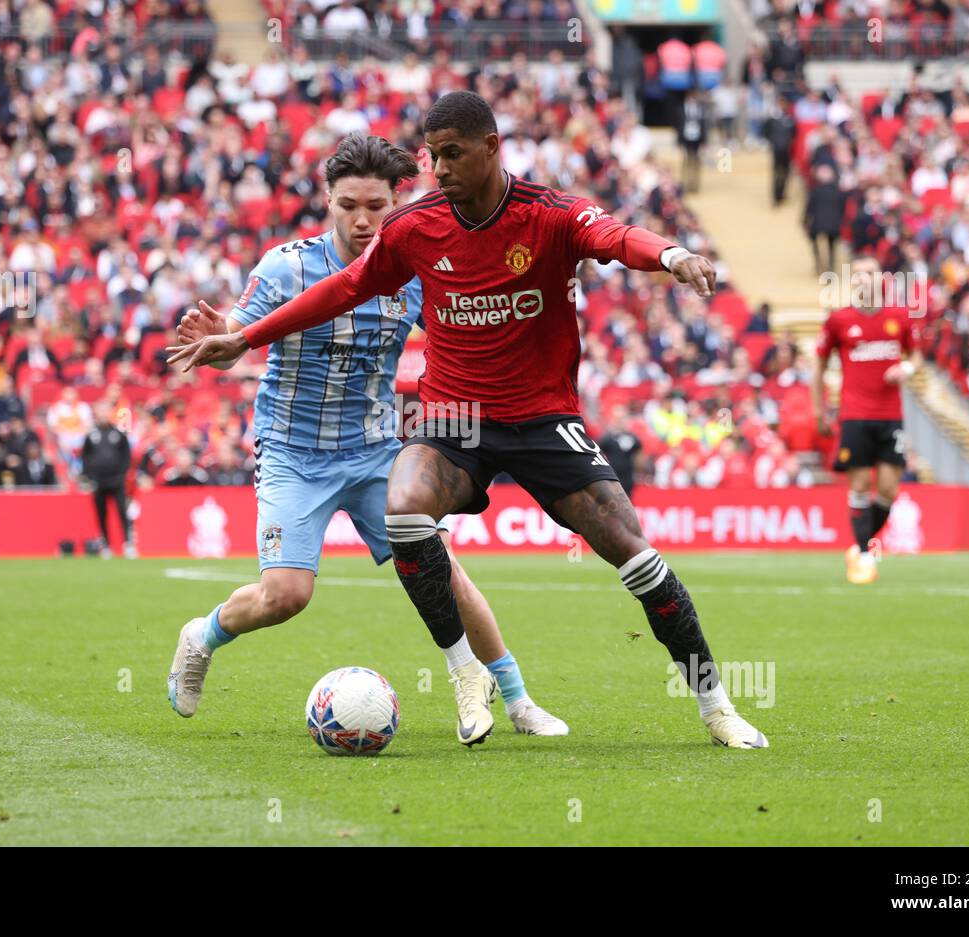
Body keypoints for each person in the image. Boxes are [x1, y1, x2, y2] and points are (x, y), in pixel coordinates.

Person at [176, 96, 767, 749]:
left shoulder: (545, 213)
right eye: (431, 156)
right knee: (376, 533)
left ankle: (710, 705)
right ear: (327, 202)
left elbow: (614, 236)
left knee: (635, 555)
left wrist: (671, 254)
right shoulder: (383, 239)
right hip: (419, 423)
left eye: (451, 154)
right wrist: (241, 336)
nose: (438, 169)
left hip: (535, 418)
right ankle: (465, 678)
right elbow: (338, 291)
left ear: (490, 147)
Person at [167, 131, 568, 743]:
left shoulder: (415, 266)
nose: (361, 219)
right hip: (293, 454)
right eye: (348, 205)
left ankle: (517, 701)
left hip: (376, 450)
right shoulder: (287, 266)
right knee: (286, 596)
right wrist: (220, 335)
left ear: (396, 204)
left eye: (376, 207)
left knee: (442, 569)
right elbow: (236, 339)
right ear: (327, 201)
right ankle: (203, 636)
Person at [812, 255, 922, 585]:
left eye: (869, 273)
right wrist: (819, 409)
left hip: (891, 416)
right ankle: (863, 554)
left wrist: (908, 368)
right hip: (855, 415)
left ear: (881, 279)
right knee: (859, 486)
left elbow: (915, 352)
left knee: (889, 489)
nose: (862, 279)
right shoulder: (839, 320)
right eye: (856, 275)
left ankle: (858, 547)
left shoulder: (900, 317)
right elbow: (818, 365)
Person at [81, 403, 135, 558]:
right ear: (96, 414)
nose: (103, 415)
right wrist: (89, 477)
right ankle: (105, 545)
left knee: (122, 512)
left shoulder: (118, 433)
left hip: (116, 480)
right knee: (101, 513)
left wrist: (123, 474)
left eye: (105, 411)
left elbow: (126, 455)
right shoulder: (91, 435)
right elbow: (86, 457)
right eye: (100, 412)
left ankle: (128, 544)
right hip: (98, 481)